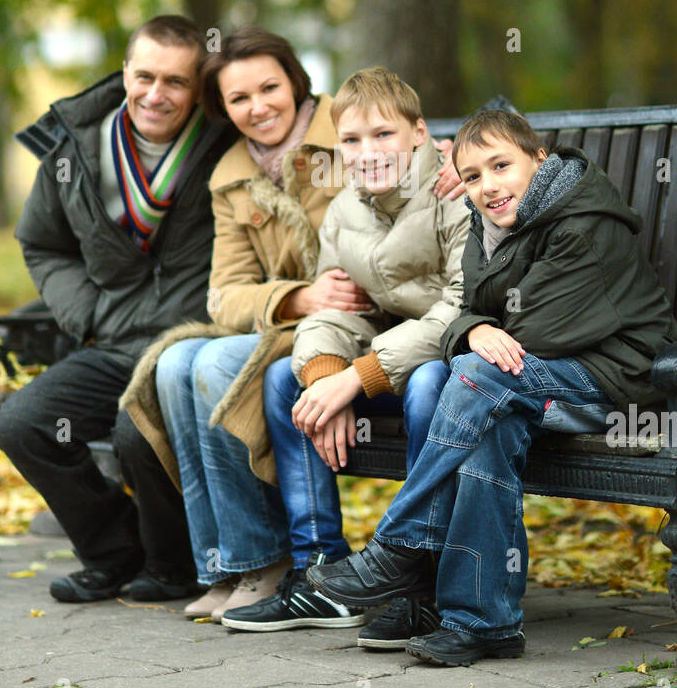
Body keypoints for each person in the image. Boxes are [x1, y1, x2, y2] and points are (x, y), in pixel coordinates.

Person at [306, 107, 677, 665]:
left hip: (616, 385)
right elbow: (471, 314)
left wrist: (477, 331)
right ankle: (484, 623)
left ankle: (398, 544)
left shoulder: (584, 225)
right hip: (528, 383)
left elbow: (532, 335)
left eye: (501, 166)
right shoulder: (491, 224)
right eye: (473, 176)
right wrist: (473, 327)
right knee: (488, 424)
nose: (488, 187)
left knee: (479, 375)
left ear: (539, 160)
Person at [122, 37, 465, 624]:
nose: (257, 106)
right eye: (239, 97)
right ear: (223, 107)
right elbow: (225, 294)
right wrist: (303, 306)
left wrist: (461, 157)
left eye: (269, 88)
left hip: (412, 341)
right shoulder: (235, 175)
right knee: (188, 365)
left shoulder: (353, 133)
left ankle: (390, 574)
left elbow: (469, 168)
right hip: (320, 323)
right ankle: (271, 566)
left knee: (209, 366)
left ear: (297, 84)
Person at [220, 66, 469, 645]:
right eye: (351, 140)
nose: (367, 152)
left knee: (432, 379)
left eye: (383, 134)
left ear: (418, 133)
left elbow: (463, 308)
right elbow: (337, 312)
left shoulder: (455, 193)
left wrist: (361, 377)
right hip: (391, 362)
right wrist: (327, 376)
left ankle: (421, 582)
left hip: (459, 362)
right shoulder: (345, 211)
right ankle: (320, 575)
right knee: (286, 376)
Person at [0, 15, 236, 603]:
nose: (157, 94)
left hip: (190, 343)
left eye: (176, 82)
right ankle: (115, 552)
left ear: (198, 86)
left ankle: (173, 565)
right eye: (145, 76)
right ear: (125, 71)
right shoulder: (72, 148)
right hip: (110, 342)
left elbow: (306, 130)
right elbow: (42, 243)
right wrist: (87, 315)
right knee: (25, 423)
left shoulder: (226, 142)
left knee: (138, 430)